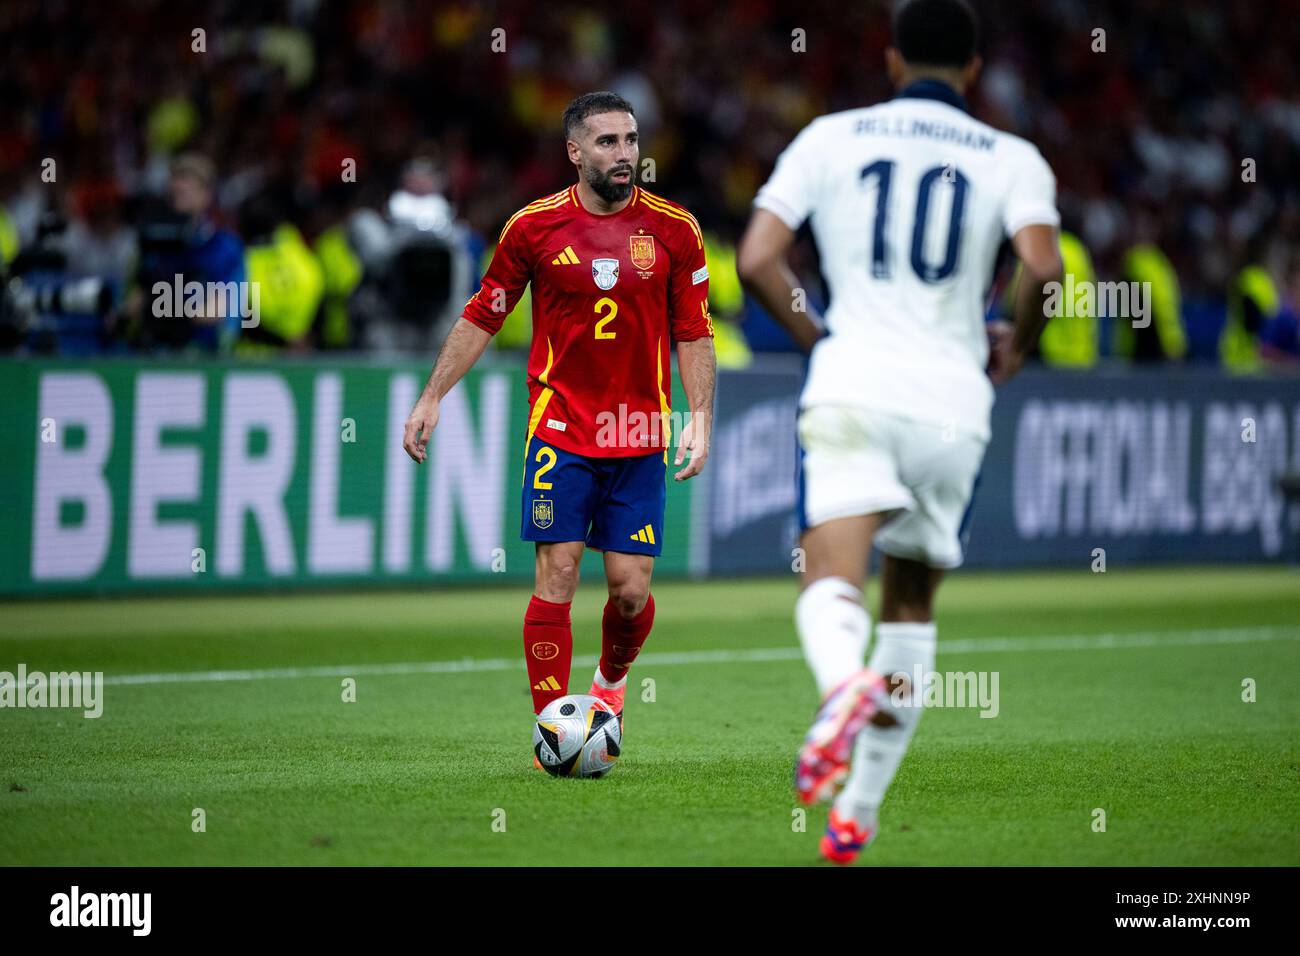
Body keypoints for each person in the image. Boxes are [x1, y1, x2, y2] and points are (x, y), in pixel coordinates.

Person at [737, 0, 1062, 863]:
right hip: (957, 401)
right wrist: (1016, 349)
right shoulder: (1012, 157)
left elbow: (757, 256)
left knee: (828, 580)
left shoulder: (830, 137)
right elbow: (1044, 267)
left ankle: (842, 687)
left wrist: (819, 336)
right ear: (975, 69)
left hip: (855, 384)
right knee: (910, 604)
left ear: (889, 62)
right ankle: (858, 817)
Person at [402, 91, 716, 766]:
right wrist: (432, 396)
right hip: (561, 430)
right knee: (560, 572)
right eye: (607, 142)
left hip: (639, 432)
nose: (624, 154)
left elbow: (693, 331)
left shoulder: (675, 230)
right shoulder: (533, 228)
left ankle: (608, 686)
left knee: (631, 590)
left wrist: (700, 416)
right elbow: (484, 314)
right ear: (575, 152)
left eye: (631, 140)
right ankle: (553, 727)